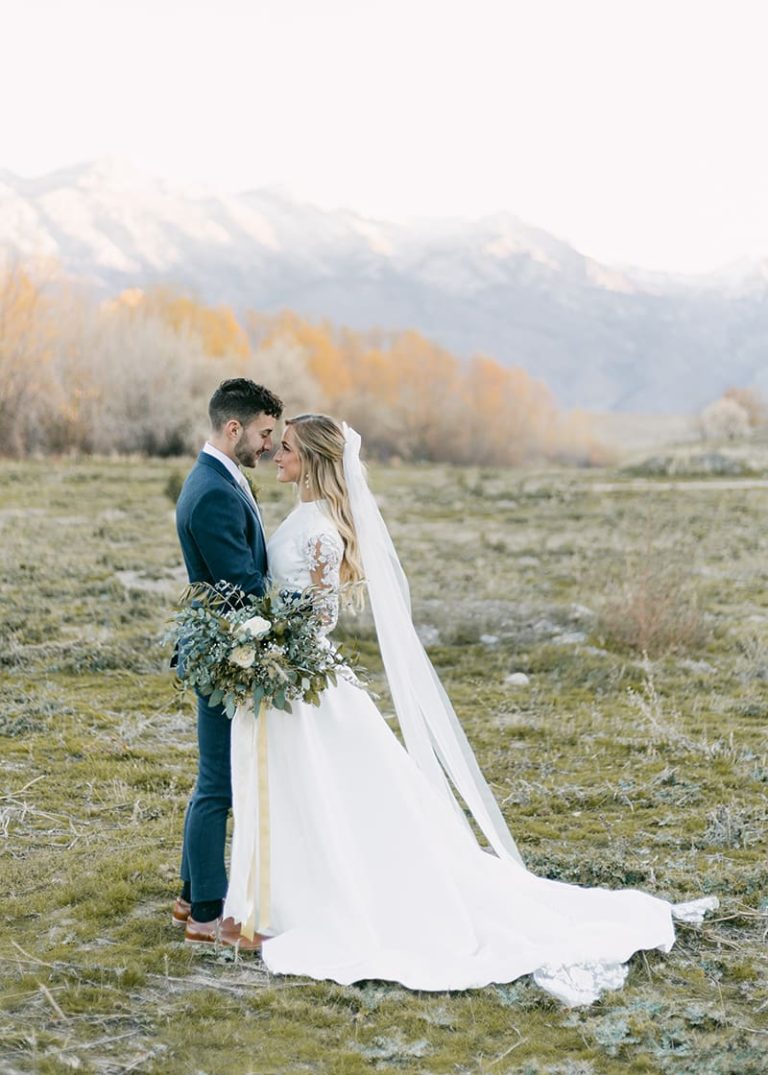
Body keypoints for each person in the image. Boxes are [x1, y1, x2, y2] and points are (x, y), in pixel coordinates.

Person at [223, 414, 714, 1004]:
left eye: (290, 449)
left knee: (335, 787)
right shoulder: (303, 516)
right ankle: (289, 895)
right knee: (310, 787)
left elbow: (323, 617)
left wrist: (273, 639)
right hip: (292, 674)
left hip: (305, 676)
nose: (277, 453)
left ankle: (338, 895)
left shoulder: (324, 530)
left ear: (316, 460)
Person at [173, 378, 283, 948]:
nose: (269, 444)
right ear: (234, 428)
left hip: (220, 645)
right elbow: (240, 586)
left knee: (213, 778)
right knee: (218, 784)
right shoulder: (214, 490)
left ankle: (191, 894)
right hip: (224, 651)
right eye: (266, 433)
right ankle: (208, 915)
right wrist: (290, 610)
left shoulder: (218, 477)